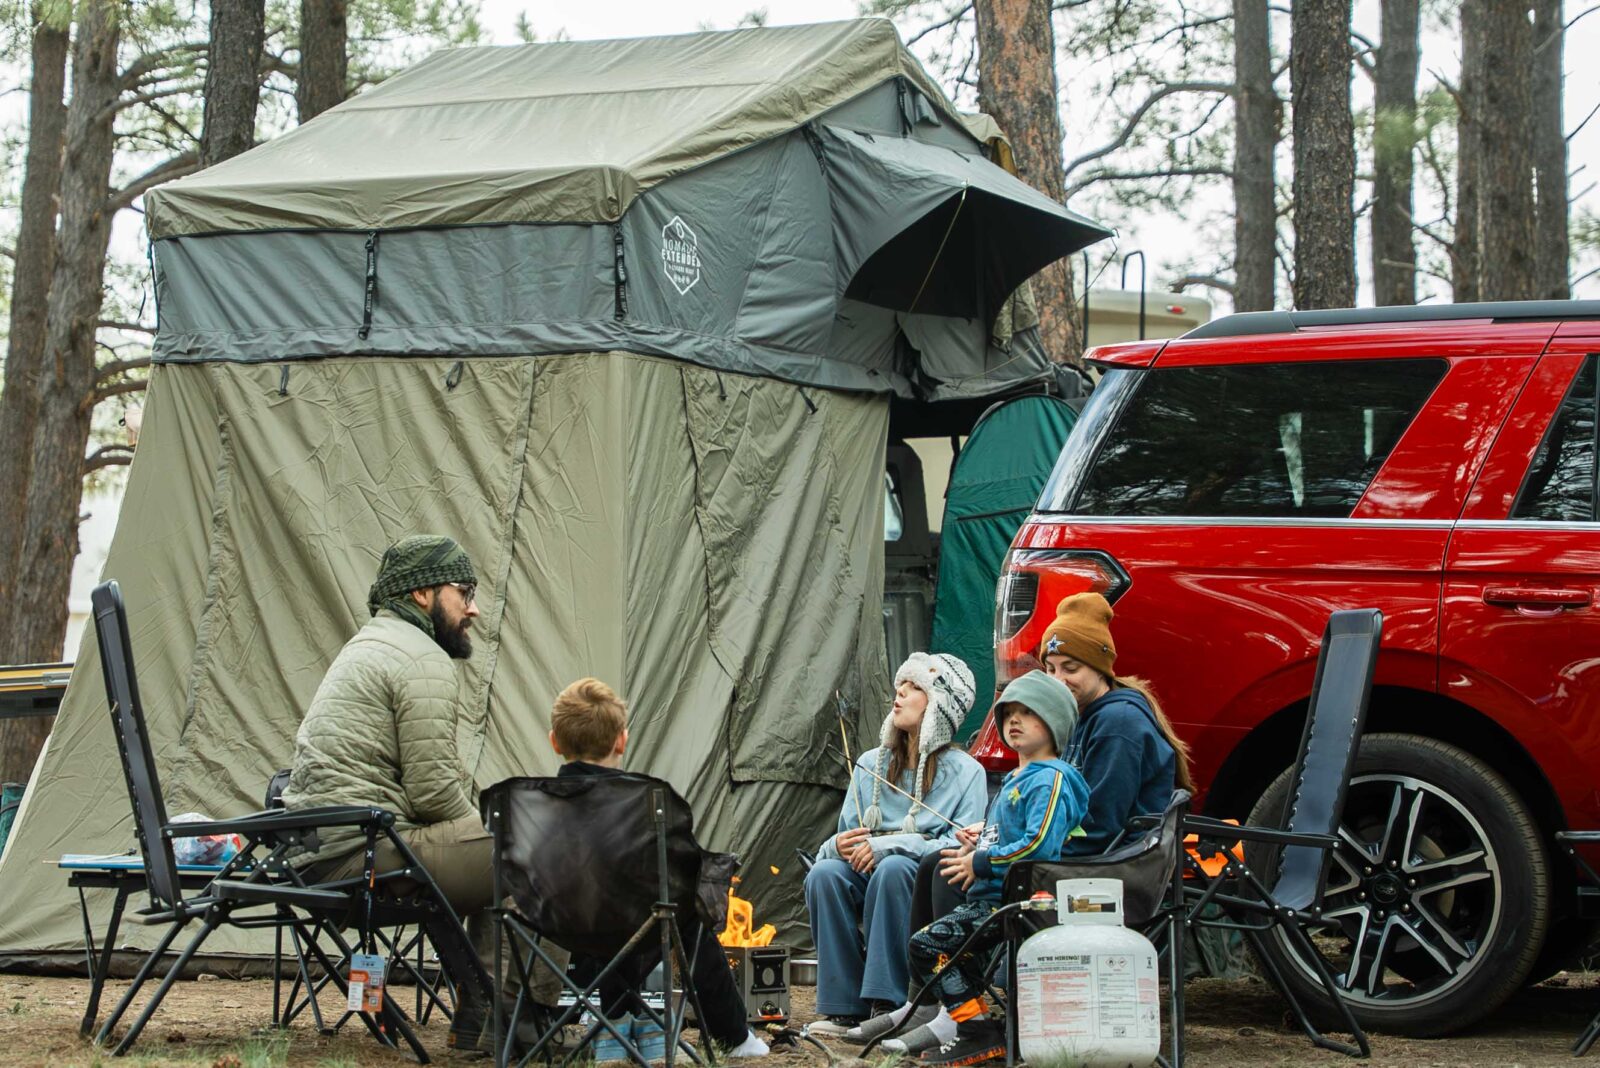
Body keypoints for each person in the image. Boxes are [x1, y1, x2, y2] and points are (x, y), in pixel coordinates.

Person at [281, 534, 558, 1051]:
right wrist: (490, 827)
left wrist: (481, 831)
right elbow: (433, 795)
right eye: (464, 592)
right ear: (423, 594)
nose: (474, 609)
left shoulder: (370, 643)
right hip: (363, 857)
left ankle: (482, 1013)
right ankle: (524, 1021)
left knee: (496, 845)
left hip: (319, 852)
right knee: (545, 848)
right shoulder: (421, 657)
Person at [549, 677, 770, 1058]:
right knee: (680, 914)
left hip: (555, 928)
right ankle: (734, 1036)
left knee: (621, 907)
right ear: (622, 740)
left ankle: (617, 1024)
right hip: (630, 927)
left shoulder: (533, 800)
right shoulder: (641, 800)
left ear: (554, 741)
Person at [904, 670, 1089, 1067]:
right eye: (1008, 713)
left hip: (1018, 903)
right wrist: (980, 844)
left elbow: (1040, 846)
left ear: (1055, 721)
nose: (1014, 720)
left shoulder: (1051, 778)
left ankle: (976, 1030)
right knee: (956, 962)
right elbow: (1013, 839)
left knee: (926, 945)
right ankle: (980, 1037)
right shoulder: (1017, 778)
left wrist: (982, 861)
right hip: (992, 898)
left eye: (1029, 712)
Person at [803, 654, 988, 1037]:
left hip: (919, 883)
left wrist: (890, 847)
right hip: (866, 874)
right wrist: (837, 845)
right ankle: (843, 1008)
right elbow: (843, 841)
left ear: (941, 707)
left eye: (914, 686)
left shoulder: (967, 772)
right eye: (899, 685)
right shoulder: (870, 763)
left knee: (893, 867)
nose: (899, 693)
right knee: (825, 874)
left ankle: (888, 1003)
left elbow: (959, 848)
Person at [1039, 592, 1193, 856]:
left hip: (1113, 864)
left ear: (1100, 668)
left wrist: (1020, 854)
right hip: (1084, 854)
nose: (1058, 680)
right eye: (1051, 669)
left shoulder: (1117, 724)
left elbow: (1098, 830)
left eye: (1070, 668)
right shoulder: (1077, 714)